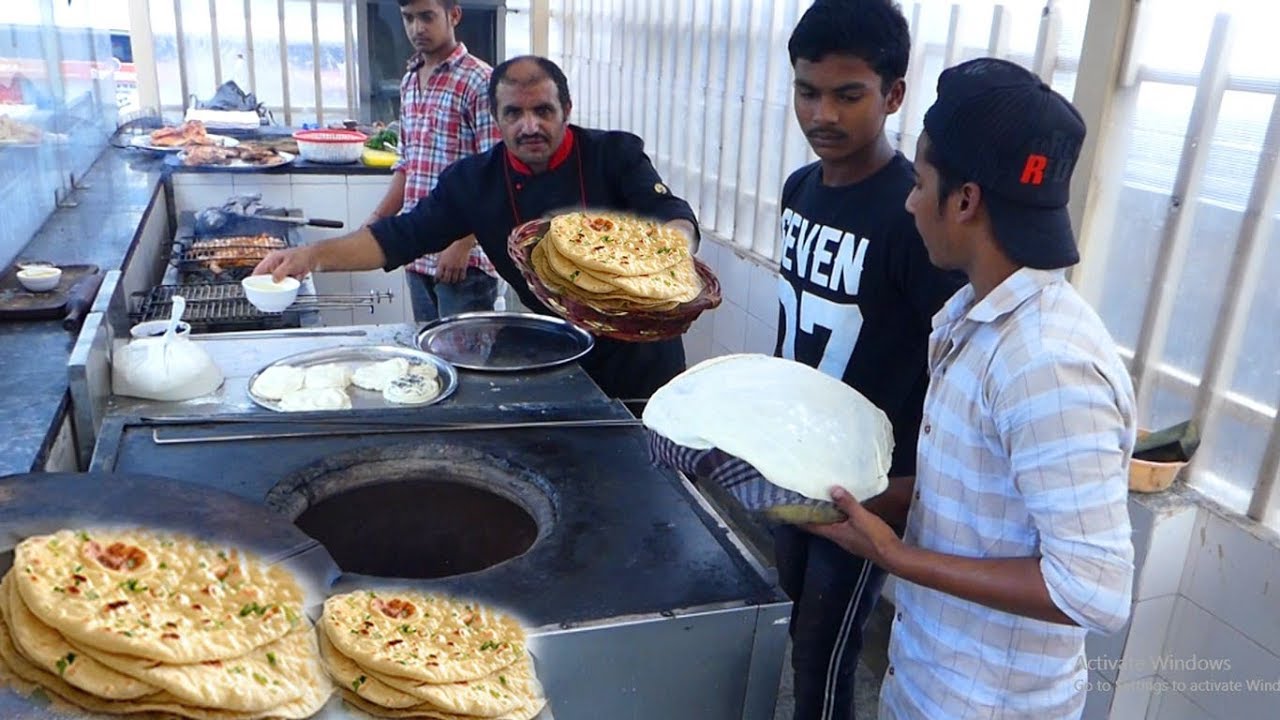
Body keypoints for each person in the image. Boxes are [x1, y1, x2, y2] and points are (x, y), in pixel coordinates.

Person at [808, 58, 1136, 719]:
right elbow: (975, 504)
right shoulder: (974, 318)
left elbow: (1094, 592)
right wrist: (861, 500)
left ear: (965, 201)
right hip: (927, 681)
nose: (908, 200)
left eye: (920, 182)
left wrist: (895, 555)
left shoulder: (1047, 363)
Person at [256, 55, 698, 400]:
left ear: (566, 108)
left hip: (643, 361)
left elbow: (670, 214)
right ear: (495, 116)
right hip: (562, 355)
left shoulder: (613, 155)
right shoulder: (473, 182)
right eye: (514, 113)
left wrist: (674, 250)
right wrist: (311, 257)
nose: (531, 126)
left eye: (544, 110)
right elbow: (399, 237)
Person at [769, 3, 965, 718]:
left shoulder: (915, 216)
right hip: (787, 461)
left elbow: (954, 365)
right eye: (806, 91)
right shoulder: (798, 189)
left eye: (847, 95)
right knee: (790, 621)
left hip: (865, 488)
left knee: (825, 656)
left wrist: (906, 490)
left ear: (893, 95)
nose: (822, 113)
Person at [363, 0, 502, 322]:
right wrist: (377, 221)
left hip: (464, 262)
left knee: (467, 363)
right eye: (408, 18)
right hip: (417, 252)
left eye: (427, 16)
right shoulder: (410, 81)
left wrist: (463, 242)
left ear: (454, 15)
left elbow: (495, 173)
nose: (417, 28)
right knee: (428, 354)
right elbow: (407, 164)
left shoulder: (481, 81)